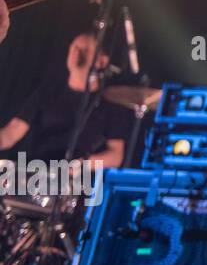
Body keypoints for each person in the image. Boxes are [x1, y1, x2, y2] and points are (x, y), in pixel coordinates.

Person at [0, 32, 130, 171]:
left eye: (84, 50)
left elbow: (116, 155)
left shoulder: (110, 101)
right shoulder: (47, 91)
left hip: (77, 181)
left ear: (102, 61)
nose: (76, 52)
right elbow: (14, 130)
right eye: (74, 47)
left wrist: (84, 164)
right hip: (36, 172)